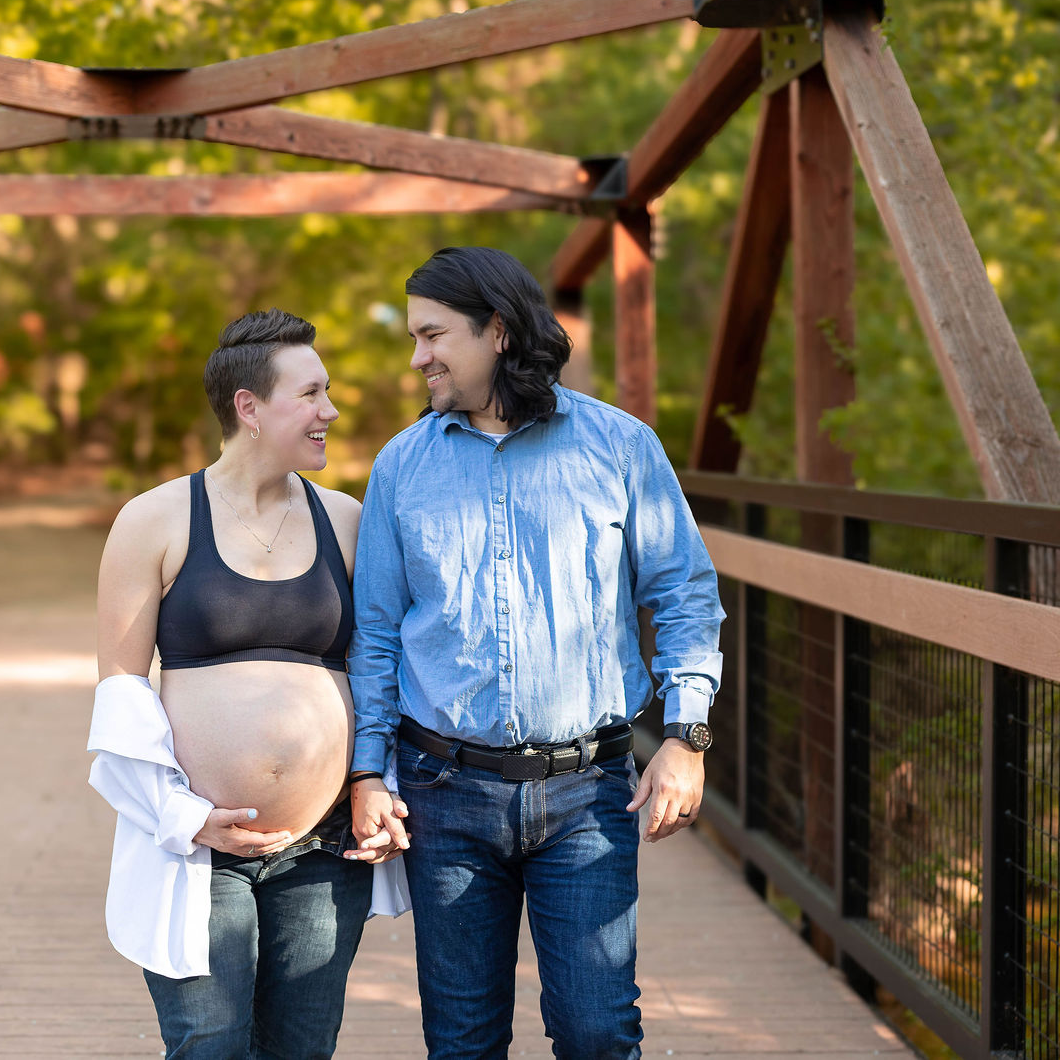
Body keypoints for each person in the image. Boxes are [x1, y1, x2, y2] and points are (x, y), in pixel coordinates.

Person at [346, 247, 725, 1059]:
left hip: (587, 794)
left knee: (597, 1032)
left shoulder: (621, 447)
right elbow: (374, 633)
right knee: (463, 1040)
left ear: (499, 332)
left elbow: (686, 596)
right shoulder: (401, 468)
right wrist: (367, 769)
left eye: (432, 335)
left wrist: (687, 740)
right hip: (442, 794)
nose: (417, 357)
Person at [89, 308, 409, 1060]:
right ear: (249, 407)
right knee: (211, 1045)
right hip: (195, 847)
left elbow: (382, 666)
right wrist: (181, 815)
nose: (331, 411)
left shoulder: (348, 521)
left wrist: (374, 780)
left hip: (325, 846)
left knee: (303, 1048)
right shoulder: (155, 519)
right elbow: (120, 690)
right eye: (312, 393)